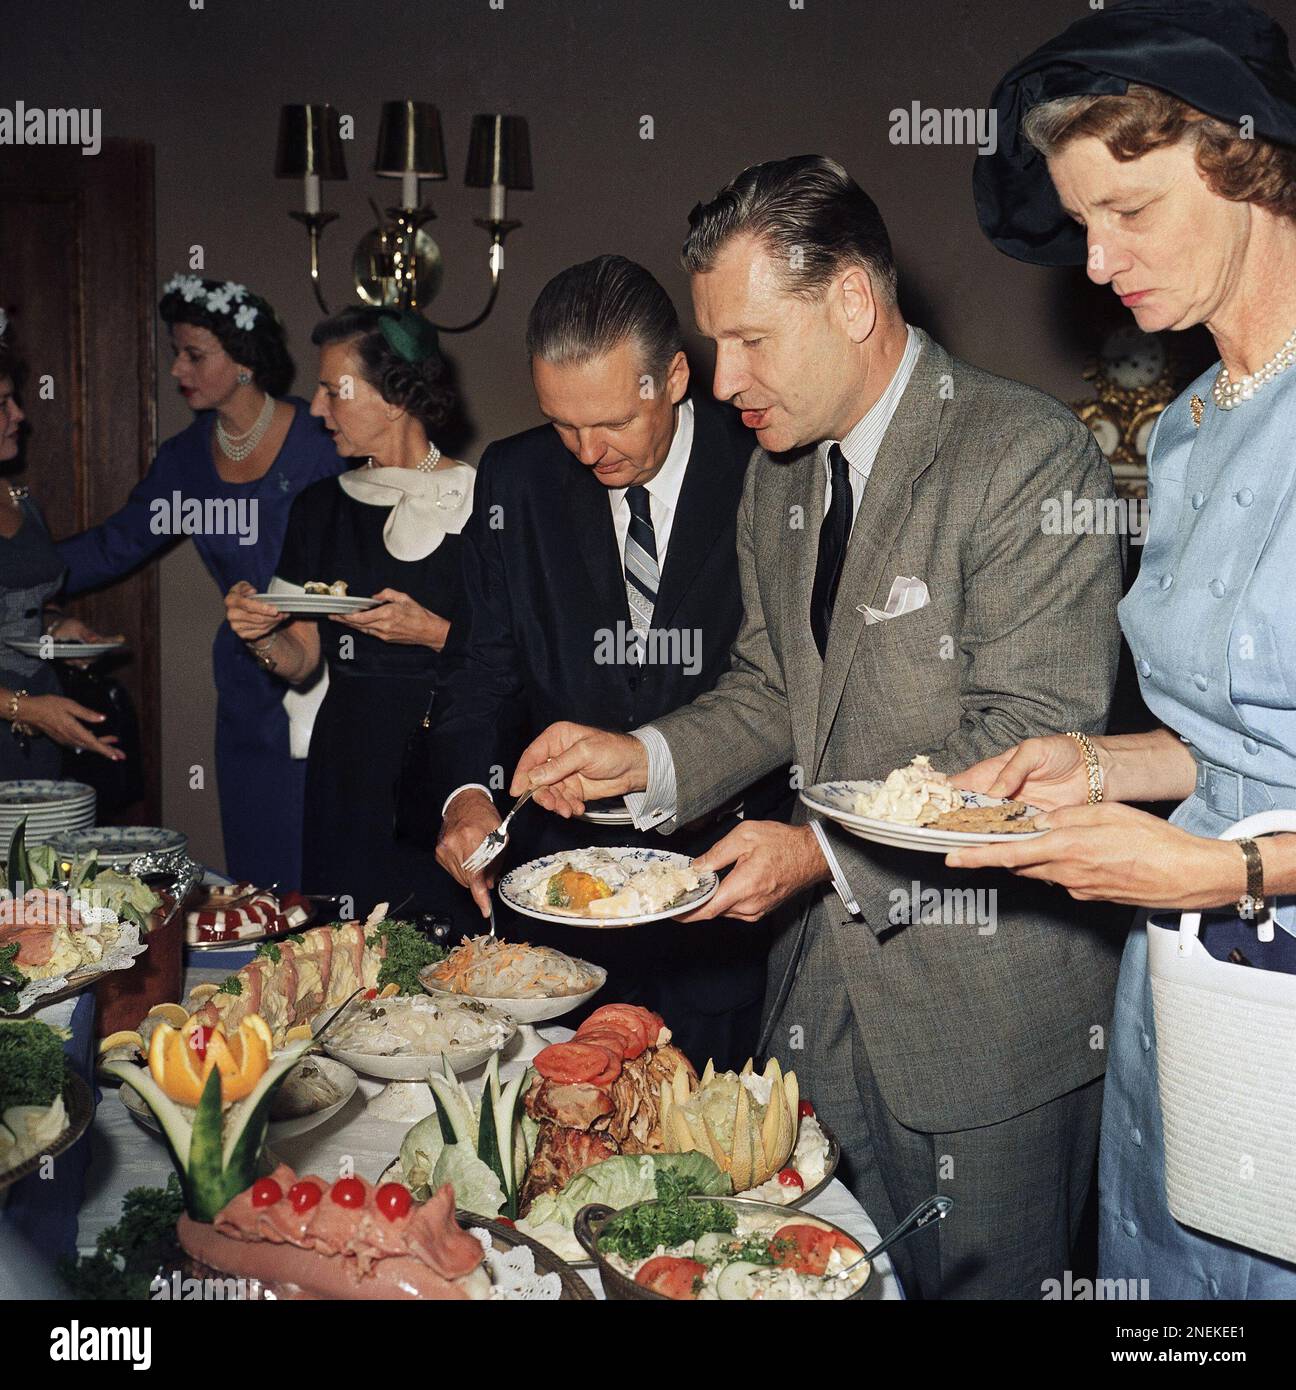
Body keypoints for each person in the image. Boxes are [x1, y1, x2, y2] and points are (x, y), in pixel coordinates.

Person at [510, 156, 1128, 1299]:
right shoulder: (779, 479)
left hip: (986, 1022)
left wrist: (822, 850)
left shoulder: (1026, 455)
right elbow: (771, 687)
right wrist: (639, 757)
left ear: (852, 300)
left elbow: (1031, 738)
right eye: (714, 341)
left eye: (749, 340)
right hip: (816, 1008)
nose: (722, 377)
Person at [959, 0, 1296, 1298]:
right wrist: (1094, 768)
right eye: (1079, 221)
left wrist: (1225, 867)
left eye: (1129, 210)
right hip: (1191, 1008)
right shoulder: (1186, 429)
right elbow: (1229, 732)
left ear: (1244, 155)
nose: (1095, 264)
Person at [431, 255, 788, 1069]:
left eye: (614, 422)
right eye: (563, 423)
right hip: (552, 912)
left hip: (722, 914)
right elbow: (476, 668)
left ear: (674, 376)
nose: (588, 452)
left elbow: (794, 692)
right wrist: (463, 797)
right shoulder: (515, 479)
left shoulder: (771, 466)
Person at [57, 274, 343, 883]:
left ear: (242, 359)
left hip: (336, 669)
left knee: (335, 857)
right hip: (249, 674)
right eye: (174, 354)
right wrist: (19, 572)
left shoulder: (324, 437)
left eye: (194, 354)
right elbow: (116, 544)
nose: (177, 369)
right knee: (263, 863)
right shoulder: (186, 459)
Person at [225, 306, 473, 921]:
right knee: (345, 945)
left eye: (334, 390)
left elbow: (521, 658)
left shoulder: (482, 501)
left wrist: (433, 633)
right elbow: (302, 659)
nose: (315, 408)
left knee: (443, 951)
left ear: (394, 397)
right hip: (346, 760)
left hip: (447, 756)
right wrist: (259, 633)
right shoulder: (319, 508)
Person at [0, 315, 123, 774]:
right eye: (3, 403)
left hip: (41, 720)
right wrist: (26, 709)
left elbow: (21, 607)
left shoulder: (20, 499)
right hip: (26, 714)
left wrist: (58, 629)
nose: (20, 415)